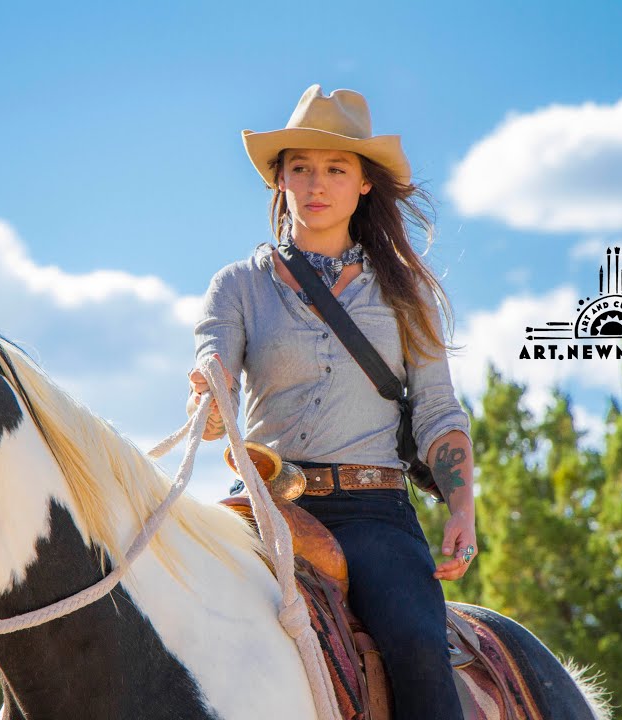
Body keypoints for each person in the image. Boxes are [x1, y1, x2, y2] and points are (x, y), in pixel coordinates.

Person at [186, 84, 477, 720]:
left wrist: (462, 505)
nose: (317, 184)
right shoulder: (236, 287)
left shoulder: (406, 295)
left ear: (364, 183)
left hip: (375, 515)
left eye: (336, 169)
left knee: (419, 648)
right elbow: (215, 386)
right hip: (262, 509)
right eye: (301, 168)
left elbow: (438, 414)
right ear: (280, 180)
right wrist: (210, 405)